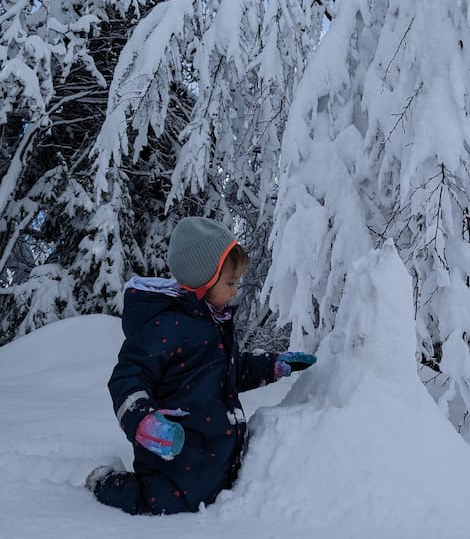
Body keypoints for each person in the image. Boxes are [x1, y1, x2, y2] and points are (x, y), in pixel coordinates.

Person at [86, 215, 315, 515]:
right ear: (203, 279)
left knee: (210, 492)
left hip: (212, 447)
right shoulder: (167, 325)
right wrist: (143, 421)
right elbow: (128, 377)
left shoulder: (215, 323)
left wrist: (271, 365)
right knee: (164, 502)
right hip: (176, 448)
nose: (236, 290)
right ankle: (105, 483)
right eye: (230, 282)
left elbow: (230, 370)